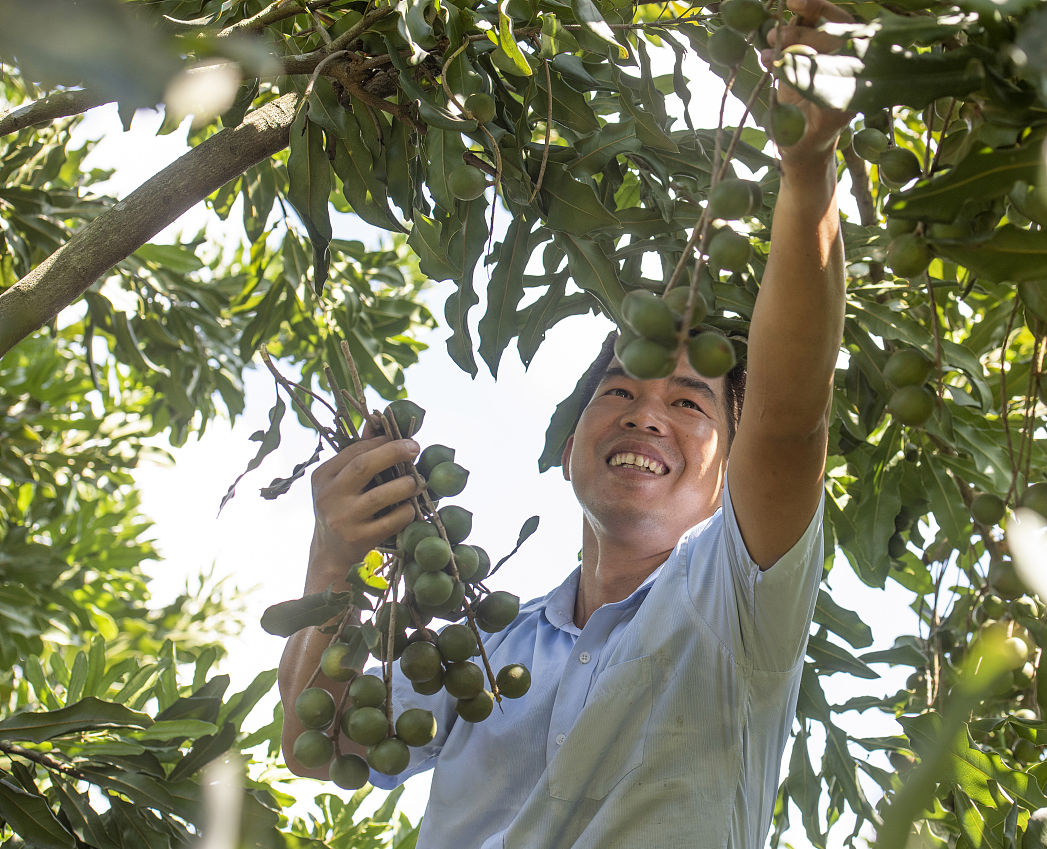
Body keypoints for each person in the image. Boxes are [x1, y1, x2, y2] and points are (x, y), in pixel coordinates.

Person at [277, 0, 850, 845]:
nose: (647, 412)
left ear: (730, 466)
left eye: (691, 402)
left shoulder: (735, 604)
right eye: (616, 393)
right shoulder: (485, 642)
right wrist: (334, 560)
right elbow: (316, 748)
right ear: (573, 437)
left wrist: (809, 168)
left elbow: (792, 418)